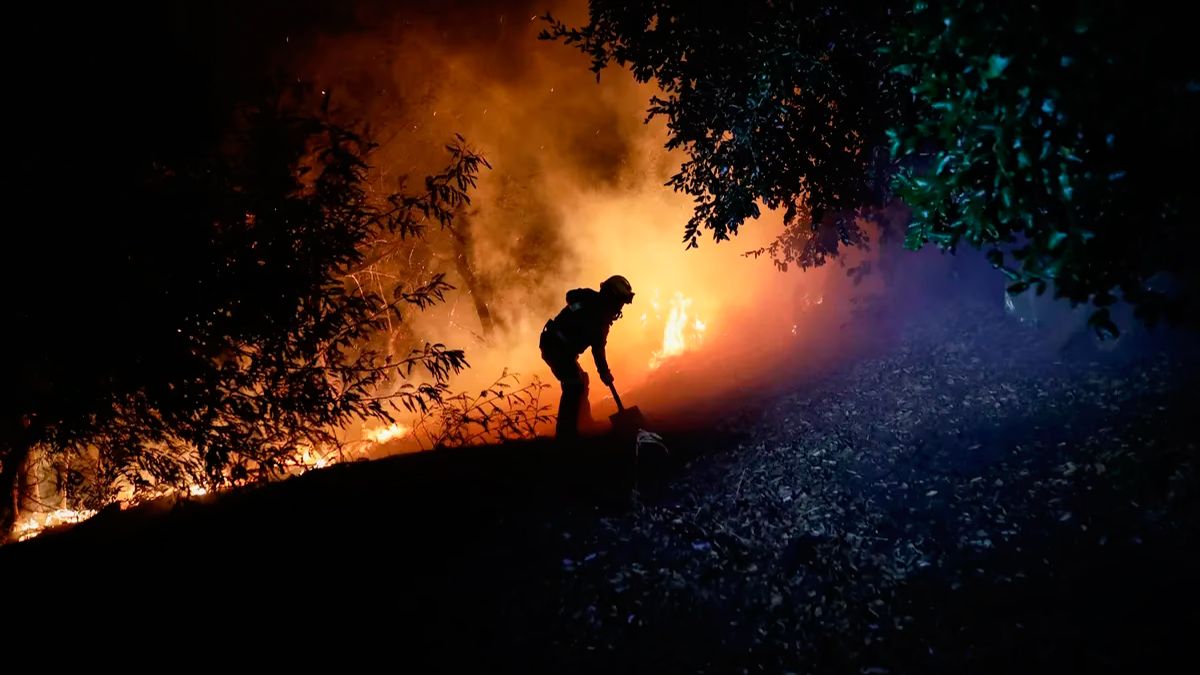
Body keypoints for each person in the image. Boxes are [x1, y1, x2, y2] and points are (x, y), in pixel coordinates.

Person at [539, 275, 635, 440]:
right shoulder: (598, 316)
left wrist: (604, 372)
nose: (620, 307)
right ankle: (565, 434)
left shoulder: (593, 303)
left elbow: (571, 295)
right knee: (574, 385)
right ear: (610, 297)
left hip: (559, 347)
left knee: (581, 380)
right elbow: (598, 351)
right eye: (619, 302)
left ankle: (583, 422)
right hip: (555, 347)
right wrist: (604, 372)